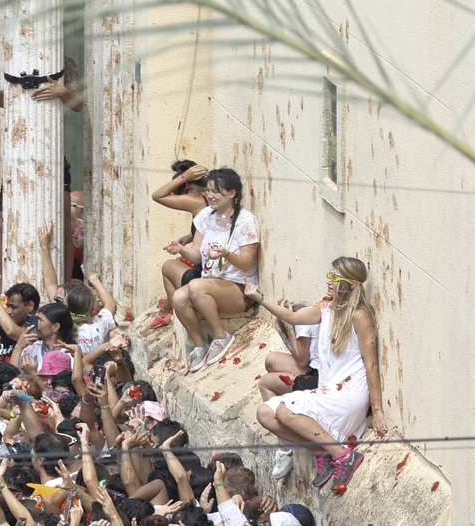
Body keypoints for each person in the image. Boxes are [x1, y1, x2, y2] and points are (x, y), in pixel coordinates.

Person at [255, 256, 388, 492]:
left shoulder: (359, 316)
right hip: (328, 390)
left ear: (352, 284)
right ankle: (325, 449)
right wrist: (260, 298)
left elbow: (372, 366)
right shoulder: (325, 308)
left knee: (284, 411)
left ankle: (343, 456)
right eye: (329, 275)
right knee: (264, 413)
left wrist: (376, 411)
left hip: (349, 393)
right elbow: (292, 318)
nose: (329, 280)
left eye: (335, 277)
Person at [153, 163, 262, 370]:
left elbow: (247, 263)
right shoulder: (205, 216)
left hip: (239, 288)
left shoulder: (246, 221)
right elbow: (196, 256)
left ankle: (221, 336)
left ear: (232, 193)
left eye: (216, 192)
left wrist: (227, 254)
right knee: (179, 297)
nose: (210, 196)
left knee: (195, 286)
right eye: (209, 190)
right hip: (210, 283)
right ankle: (199, 344)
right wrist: (180, 250)